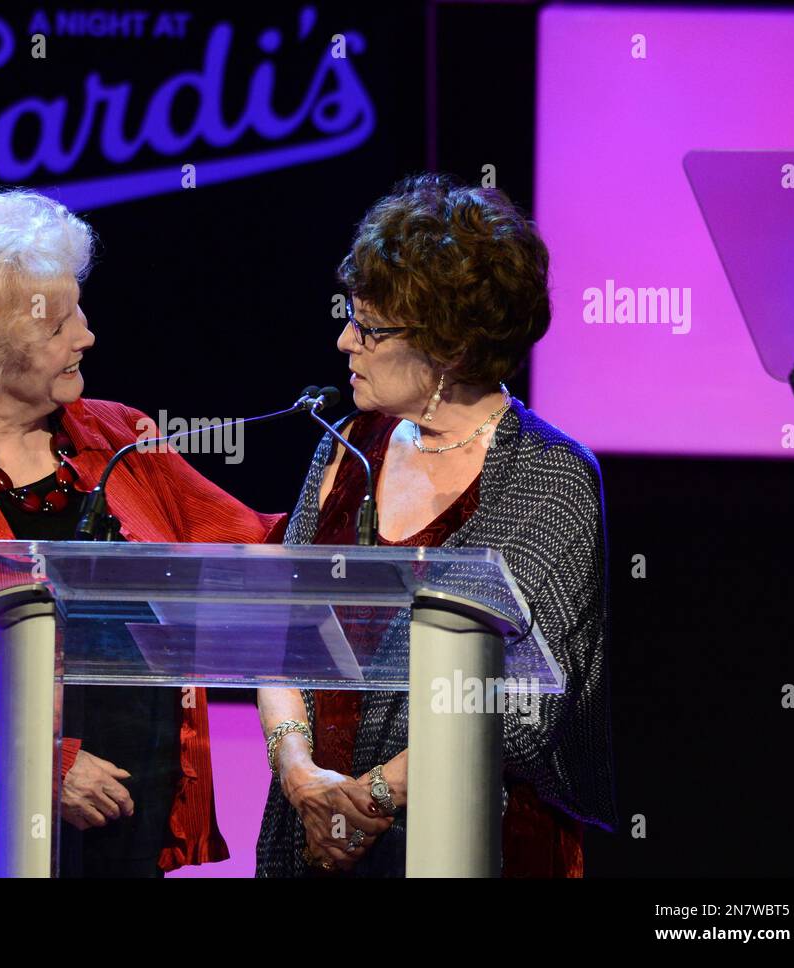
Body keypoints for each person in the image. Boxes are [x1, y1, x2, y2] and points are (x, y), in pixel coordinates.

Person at [0, 188, 283, 876]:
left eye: (79, 310)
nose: (86, 335)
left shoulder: (118, 435)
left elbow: (255, 545)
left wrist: (373, 481)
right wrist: (36, 770)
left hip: (132, 835)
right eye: (57, 323)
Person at [256, 173, 617, 877]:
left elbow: (528, 706)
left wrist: (373, 797)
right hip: (314, 835)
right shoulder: (344, 443)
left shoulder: (551, 476)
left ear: (449, 348)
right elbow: (280, 628)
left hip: (477, 842)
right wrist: (301, 774)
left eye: (370, 326)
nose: (344, 341)